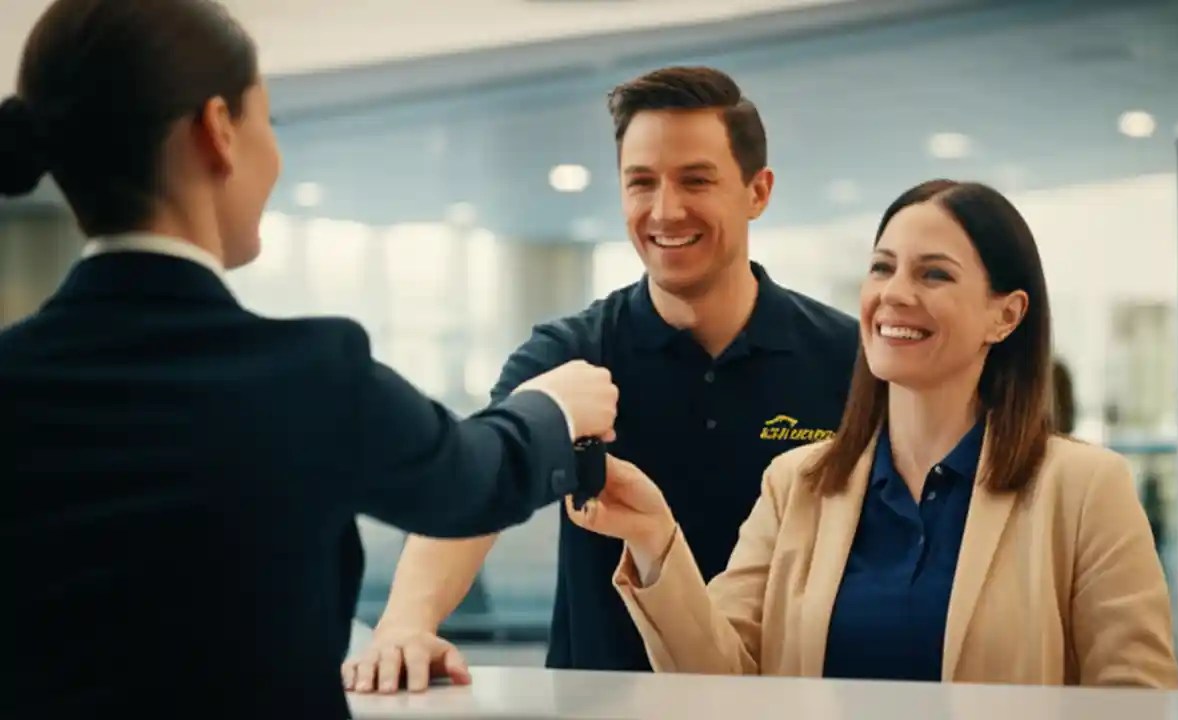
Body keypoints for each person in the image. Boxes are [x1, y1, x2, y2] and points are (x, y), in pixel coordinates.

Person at [0, 1, 616, 717]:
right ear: (218, 131)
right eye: (269, 120)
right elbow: (472, 480)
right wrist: (556, 408)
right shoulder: (311, 375)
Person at [345, 66, 860, 692]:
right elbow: (481, 480)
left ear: (758, 192)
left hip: (780, 703)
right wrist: (405, 621)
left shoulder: (846, 359)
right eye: (641, 183)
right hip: (597, 703)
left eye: (696, 180)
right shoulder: (572, 354)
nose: (665, 210)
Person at [567, 179, 1178, 688]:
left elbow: (1137, 699)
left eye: (934, 275)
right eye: (882, 267)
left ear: (1006, 314)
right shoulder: (797, 483)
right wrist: (654, 539)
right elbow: (720, 679)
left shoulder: (1084, 489)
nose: (894, 294)